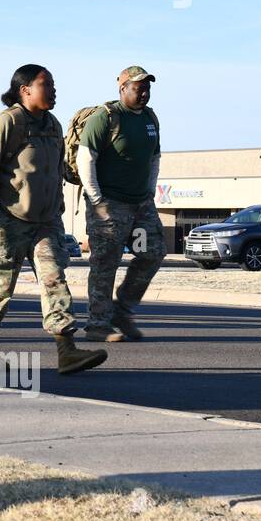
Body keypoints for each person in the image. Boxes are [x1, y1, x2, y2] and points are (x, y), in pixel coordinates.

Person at [0, 65, 106, 374]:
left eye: (54, 85)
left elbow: (57, 170)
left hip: (45, 222)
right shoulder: (7, 122)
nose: (54, 90)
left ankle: (66, 350)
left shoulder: (53, 125)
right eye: (47, 84)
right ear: (25, 90)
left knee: (54, 279)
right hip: (7, 221)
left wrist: (57, 210)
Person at [78, 66, 163, 342]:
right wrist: (97, 199)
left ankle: (122, 310)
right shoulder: (105, 117)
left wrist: (149, 192)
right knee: (106, 263)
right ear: (122, 88)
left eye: (147, 88)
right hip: (109, 204)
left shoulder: (150, 118)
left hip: (141, 204)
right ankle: (97, 325)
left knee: (152, 252)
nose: (144, 93)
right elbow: (85, 159)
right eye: (138, 88)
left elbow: (154, 158)